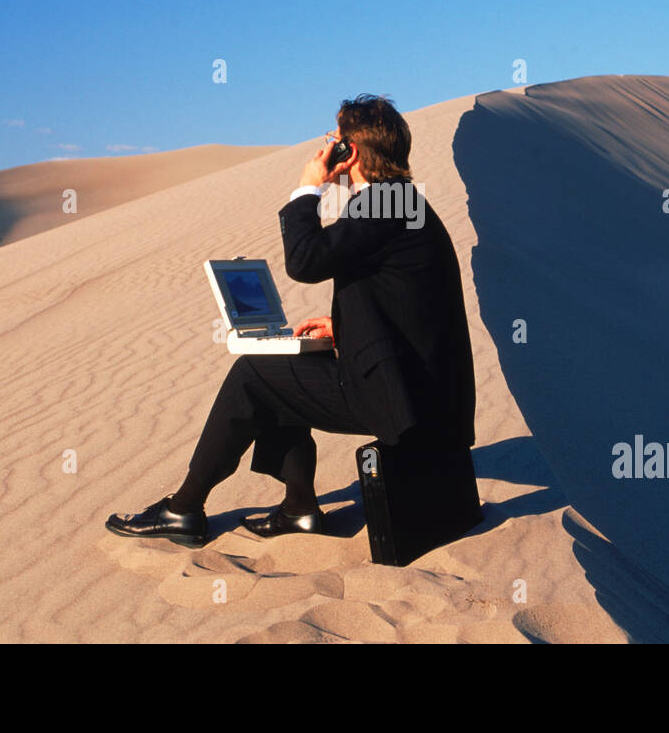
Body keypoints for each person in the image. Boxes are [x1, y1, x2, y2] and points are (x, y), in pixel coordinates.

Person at [105, 94, 475, 546]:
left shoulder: (383, 205)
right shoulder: (404, 203)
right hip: (423, 392)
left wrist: (308, 189)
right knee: (279, 365)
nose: (326, 148)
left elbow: (305, 260)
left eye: (332, 139)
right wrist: (345, 325)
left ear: (349, 152)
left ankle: (183, 508)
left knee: (254, 372)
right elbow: (413, 299)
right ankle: (299, 509)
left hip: (403, 401)